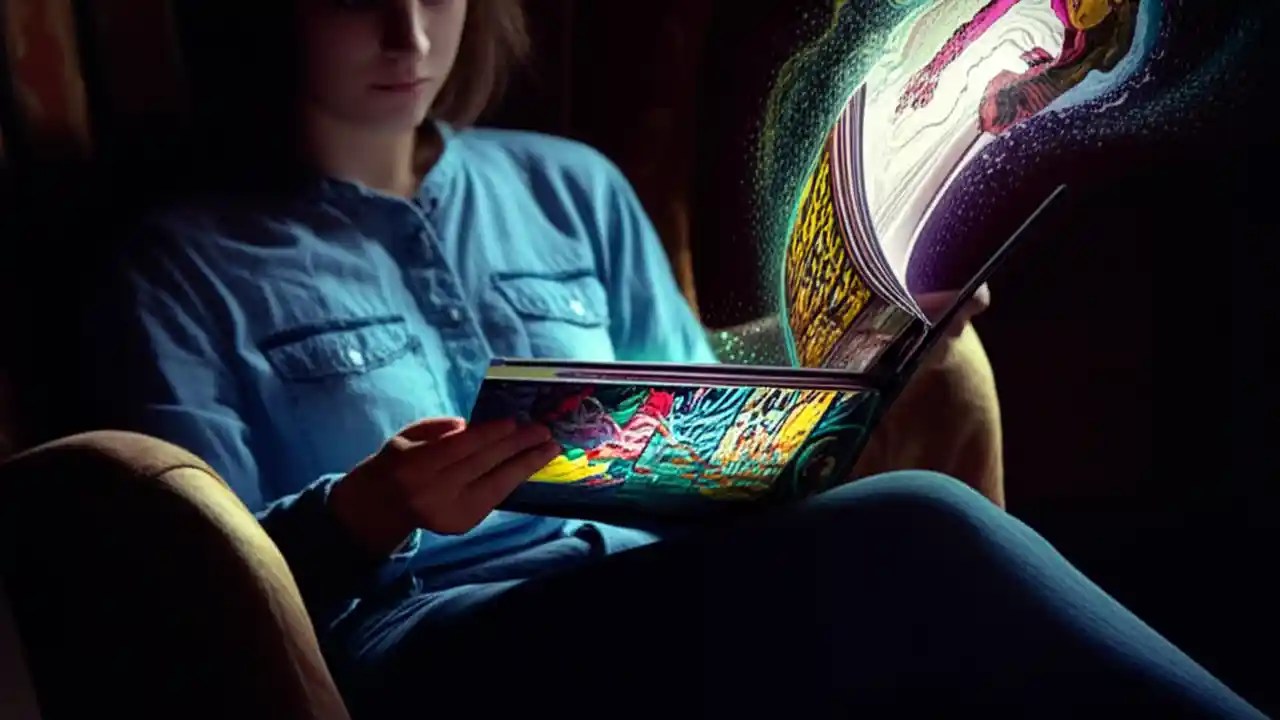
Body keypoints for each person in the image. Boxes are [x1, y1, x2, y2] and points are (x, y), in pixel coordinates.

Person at [86, 1, 1264, 717]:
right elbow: (187, 577)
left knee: (914, 586)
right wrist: (362, 510)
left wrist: (864, 359)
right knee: (919, 532)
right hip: (431, 654)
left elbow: (701, 435)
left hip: (654, 595)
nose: (409, 34)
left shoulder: (567, 185)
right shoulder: (185, 262)